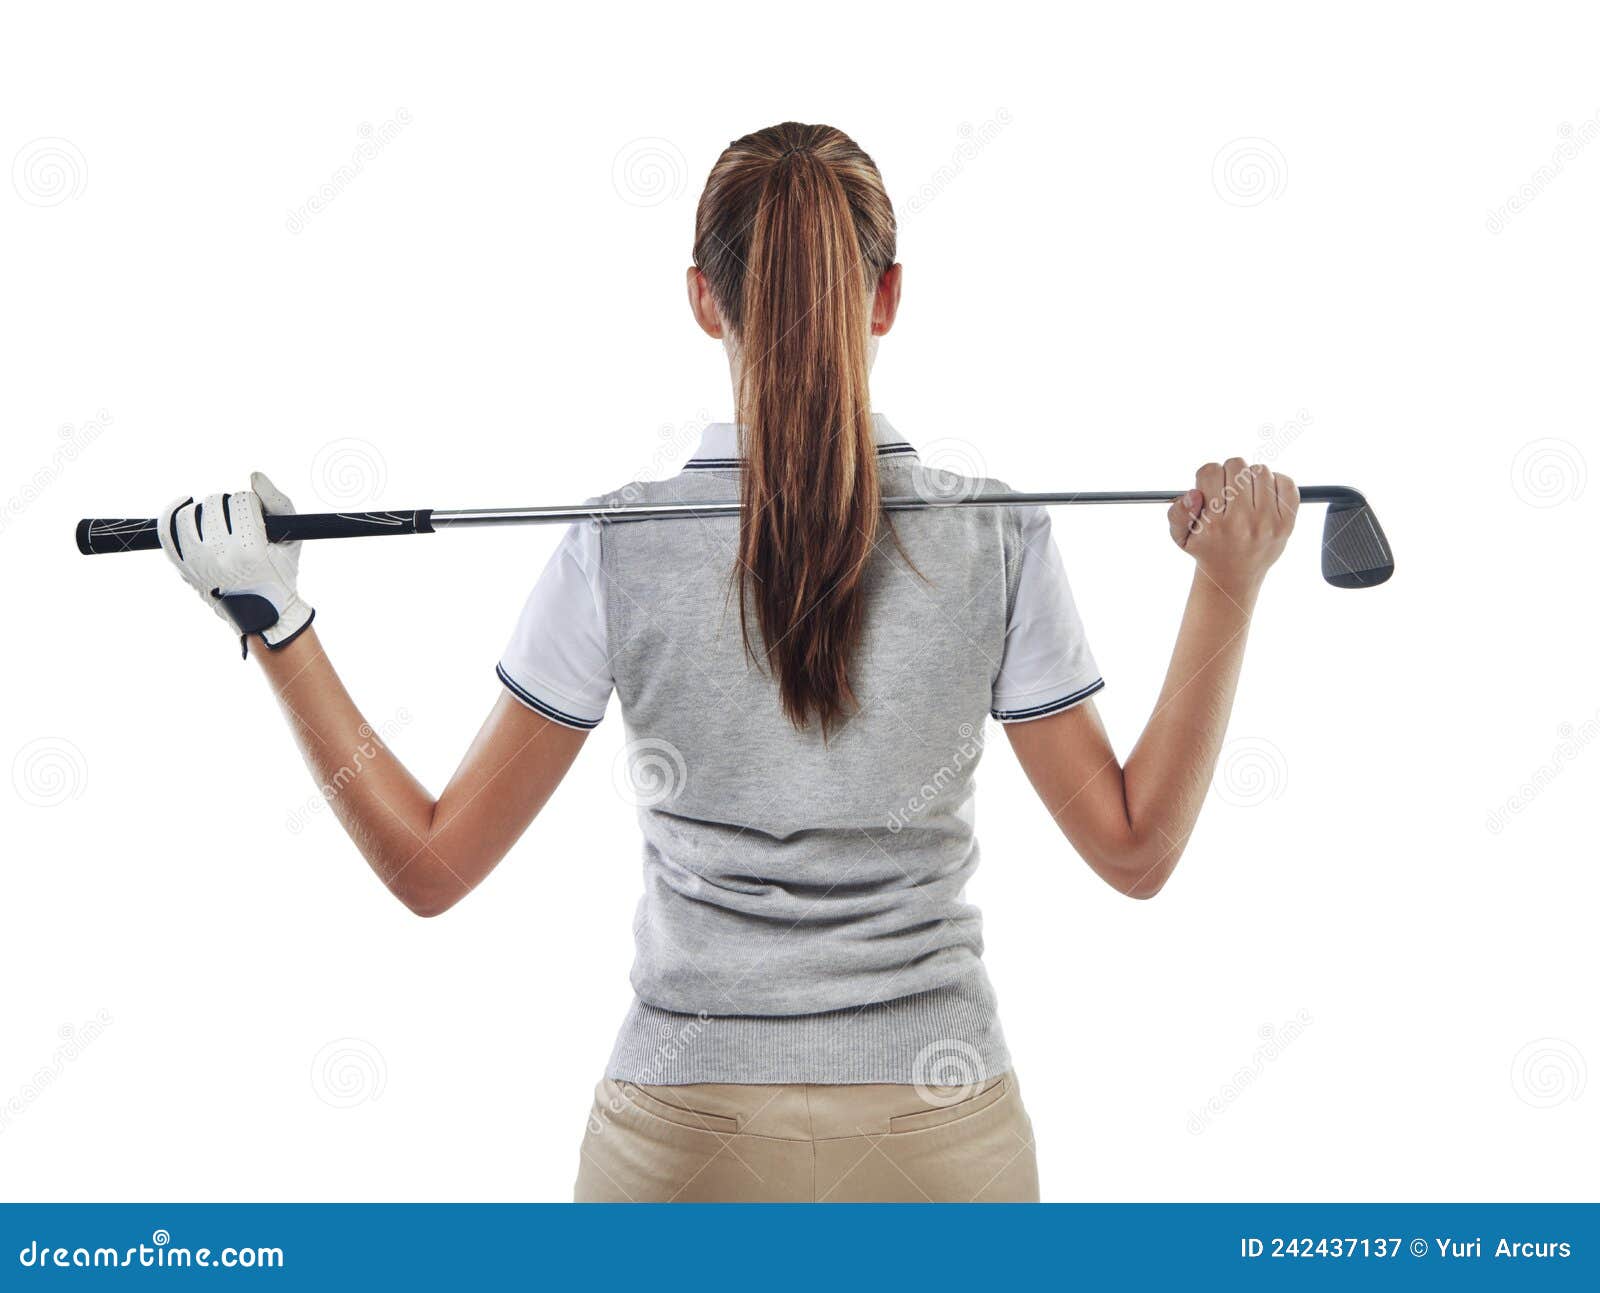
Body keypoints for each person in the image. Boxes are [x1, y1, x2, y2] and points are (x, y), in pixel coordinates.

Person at [155, 122, 1298, 1202]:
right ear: (889, 295)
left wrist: (278, 623)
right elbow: (1135, 851)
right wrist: (1227, 584)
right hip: (936, 1141)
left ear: (704, 299)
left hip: (680, 1146)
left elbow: (431, 868)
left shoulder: (619, 546)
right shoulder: (994, 533)